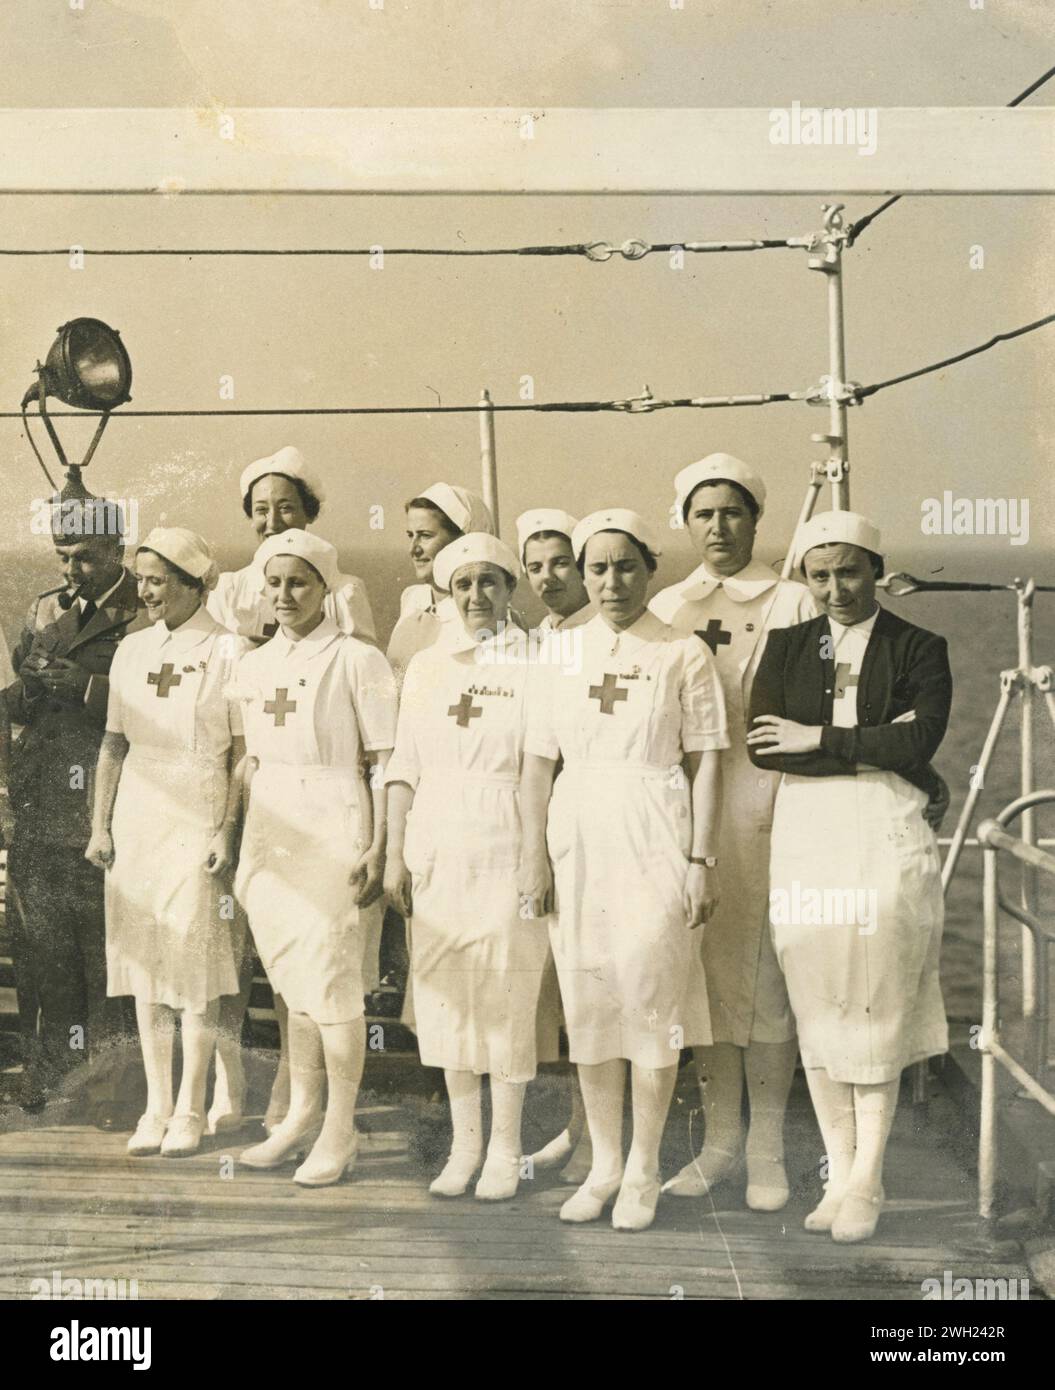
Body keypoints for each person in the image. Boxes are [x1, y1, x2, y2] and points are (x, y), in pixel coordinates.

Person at [519, 509, 728, 1232]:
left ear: (650, 569)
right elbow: (536, 765)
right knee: (590, 1003)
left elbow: (704, 763)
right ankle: (604, 1162)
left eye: (625, 566)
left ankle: (643, 1166)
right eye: (597, 568)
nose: (611, 581)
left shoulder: (682, 653)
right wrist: (532, 857)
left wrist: (700, 860)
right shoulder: (560, 654)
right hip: (577, 832)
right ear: (583, 573)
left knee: (650, 995)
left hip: (654, 829)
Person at [747, 510, 951, 1243]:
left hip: (882, 826)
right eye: (818, 573)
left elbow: (920, 737)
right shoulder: (785, 645)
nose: (834, 587)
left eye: (849, 571)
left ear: (874, 567)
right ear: (804, 577)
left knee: (876, 995)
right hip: (808, 831)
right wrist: (871, 745)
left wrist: (819, 738)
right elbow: (764, 745)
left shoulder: (918, 646)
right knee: (818, 995)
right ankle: (839, 1170)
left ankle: (868, 1177)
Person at [648, 455, 816, 1211]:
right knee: (704, 983)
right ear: (685, 522)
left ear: (755, 519)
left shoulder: (792, 602)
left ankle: (767, 1149)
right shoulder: (665, 607)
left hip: (767, 803)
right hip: (678, 810)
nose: (718, 528)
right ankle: (718, 1144)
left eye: (732, 513)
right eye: (703, 514)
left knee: (766, 981)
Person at [205, 445, 378, 1136]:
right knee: (267, 945)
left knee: (322, 960)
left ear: (309, 511)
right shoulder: (227, 588)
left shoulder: (345, 598)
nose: (272, 518)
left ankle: (303, 1103)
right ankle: (245, 1090)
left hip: (325, 789)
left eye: (286, 507)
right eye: (261, 509)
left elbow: (356, 704)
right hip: (256, 782)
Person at [384, 533, 550, 1202]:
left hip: (508, 830)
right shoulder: (427, 667)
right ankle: (464, 1145)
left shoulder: (537, 663)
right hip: (437, 840)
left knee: (506, 996)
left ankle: (506, 1148)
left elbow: (542, 765)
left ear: (511, 590)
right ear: (447, 594)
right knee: (449, 996)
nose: (476, 596)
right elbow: (403, 765)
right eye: (463, 585)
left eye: (490, 582)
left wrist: (537, 854)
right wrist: (395, 850)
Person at [234, 530, 397, 1187]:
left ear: (326, 588)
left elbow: (387, 759)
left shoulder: (357, 660)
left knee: (331, 983)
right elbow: (246, 758)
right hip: (272, 826)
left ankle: (341, 1127)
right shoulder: (251, 665)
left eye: (297, 582)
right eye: (273, 583)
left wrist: (380, 844)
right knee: (291, 982)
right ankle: (301, 1114)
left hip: (334, 819)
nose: (283, 595)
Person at [85, 528, 248, 1157]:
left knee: (195, 966)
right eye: (143, 578)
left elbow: (241, 753)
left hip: (200, 804)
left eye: (157, 580)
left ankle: (192, 1106)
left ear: (192, 582)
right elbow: (112, 743)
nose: (146, 591)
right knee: (148, 965)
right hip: (140, 813)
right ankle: (155, 1106)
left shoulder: (229, 649)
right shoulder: (130, 649)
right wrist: (101, 825)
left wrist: (226, 830)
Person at [5, 489, 143, 1124]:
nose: (69, 572)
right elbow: (25, 704)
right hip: (40, 806)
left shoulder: (144, 613)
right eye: (63, 557)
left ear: (118, 550)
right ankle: (53, 1074)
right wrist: (24, 686)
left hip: (98, 805)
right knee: (46, 953)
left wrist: (86, 687)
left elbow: (157, 704)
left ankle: (110, 1092)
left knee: (103, 953)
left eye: (84, 557)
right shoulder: (46, 610)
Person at [515, 508, 594, 1184]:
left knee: (600, 985)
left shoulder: (603, 637)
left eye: (559, 563)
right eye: (534, 567)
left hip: (602, 822)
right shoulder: (536, 638)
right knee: (565, 991)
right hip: (546, 823)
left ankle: (600, 1137)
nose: (546, 578)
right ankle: (578, 1126)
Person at [385, 482, 496, 681]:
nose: (413, 549)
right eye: (411, 536)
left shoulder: (487, 612)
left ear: (463, 541)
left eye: (425, 536)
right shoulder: (412, 599)